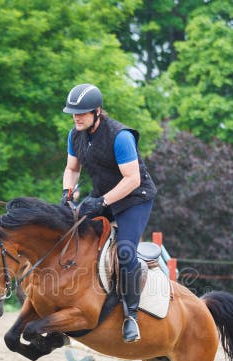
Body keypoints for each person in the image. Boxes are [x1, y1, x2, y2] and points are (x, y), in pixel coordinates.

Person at [60, 83, 157, 343]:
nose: (76, 117)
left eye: (82, 113)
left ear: (98, 112)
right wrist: (68, 193)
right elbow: (72, 169)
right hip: (103, 196)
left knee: (125, 251)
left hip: (134, 199)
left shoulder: (120, 136)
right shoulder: (75, 135)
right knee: (68, 234)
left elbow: (132, 179)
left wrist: (101, 201)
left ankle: (131, 316)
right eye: (73, 113)